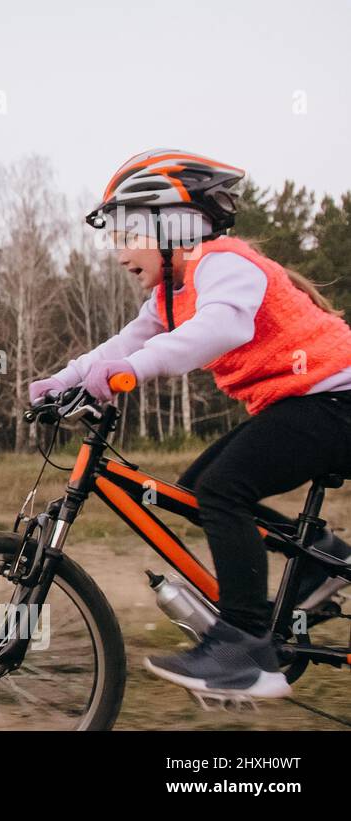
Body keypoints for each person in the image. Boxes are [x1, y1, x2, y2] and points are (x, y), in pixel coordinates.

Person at [30, 149, 351, 700]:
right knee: (202, 489)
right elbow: (126, 342)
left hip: (336, 402)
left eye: (127, 234)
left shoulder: (222, 260)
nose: (119, 253)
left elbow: (221, 328)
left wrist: (131, 372)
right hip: (310, 406)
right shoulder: (171, 295)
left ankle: (245, 649)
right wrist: (61, 380)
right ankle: (323, 561)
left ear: (172, 224)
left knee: (226, 488)